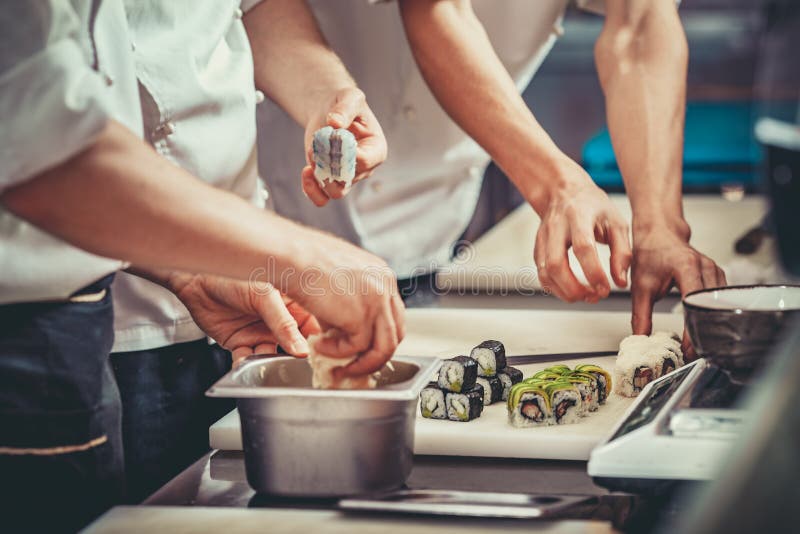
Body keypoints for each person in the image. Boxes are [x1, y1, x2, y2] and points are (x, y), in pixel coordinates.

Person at [0, 1, 400, 530]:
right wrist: (307, 255)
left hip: (187, 288)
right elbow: (39, 144)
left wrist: (190, 271)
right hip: (34, 327)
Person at [258, 0, 727, 349]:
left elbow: (640, 24)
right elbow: (436, 10)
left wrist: (661, 226)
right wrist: (557, 183)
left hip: (425, 234)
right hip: (269, 222)